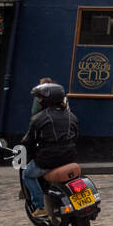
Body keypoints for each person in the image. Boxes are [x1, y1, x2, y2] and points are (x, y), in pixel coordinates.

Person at [20, 82, 79, 216]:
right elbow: (76, 136)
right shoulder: (72, 116)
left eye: (40, 98)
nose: (39, 100)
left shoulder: (39, 118)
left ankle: (41, 206)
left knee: (27, 174)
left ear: (48, 99)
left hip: (48, 160)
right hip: (69, 157)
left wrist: (25, 147)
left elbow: (29, 140)